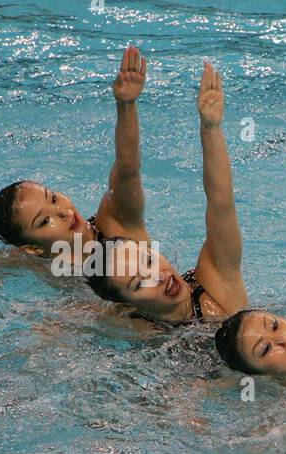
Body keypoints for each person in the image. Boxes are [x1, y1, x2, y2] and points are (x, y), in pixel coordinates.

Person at [84, 62, 248, 323]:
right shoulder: (129, 326)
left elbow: (221, 202)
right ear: (127, 307)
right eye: (139, 283)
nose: (158, 276)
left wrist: (210, 128)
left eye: (149, 260)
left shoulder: (217, 290)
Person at [0, 47, 152, 273]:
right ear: (32, 249)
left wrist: (126, 104)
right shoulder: (42, 267)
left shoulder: (117, 224)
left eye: (53, 198)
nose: (63, 212)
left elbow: (127, 168)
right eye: (44, 221)